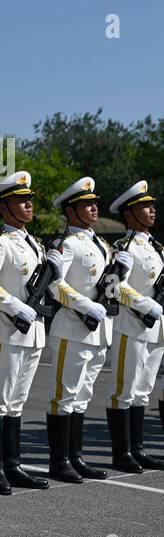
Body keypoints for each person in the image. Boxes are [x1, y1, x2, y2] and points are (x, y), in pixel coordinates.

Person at [44, 177, 128, 481]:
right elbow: (55, 284)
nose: (94, 208)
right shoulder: (68, 244)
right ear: (71, 210)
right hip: (72, 329)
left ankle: (76, 457)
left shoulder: (100, 243)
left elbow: (107, 285)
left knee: (82, 396)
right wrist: (84, 305)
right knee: (64, 396)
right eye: (86, 204)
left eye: (94, 203)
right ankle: (59, 460)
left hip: (98, 330)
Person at [0, 171, 52, 493]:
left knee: (17, 402)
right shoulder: (0, 243)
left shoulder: (35, 243)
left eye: (30, 199)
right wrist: (13, 306)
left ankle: (13, 465)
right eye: (22, 200)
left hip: (32, 332)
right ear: (5, 207)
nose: (29, 204)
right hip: (5, 330)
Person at [107, 181, 164, 470]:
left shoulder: (156, 247)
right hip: (131, 326)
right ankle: (122, 453)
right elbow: (114, 287)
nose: (152, 210)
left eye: (152, 205)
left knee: (143, 390)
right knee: (124, 390)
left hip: (156, 329)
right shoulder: (123, 247)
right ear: (129, 213)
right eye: (145, 206)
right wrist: (146, 305)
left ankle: (138, 448)